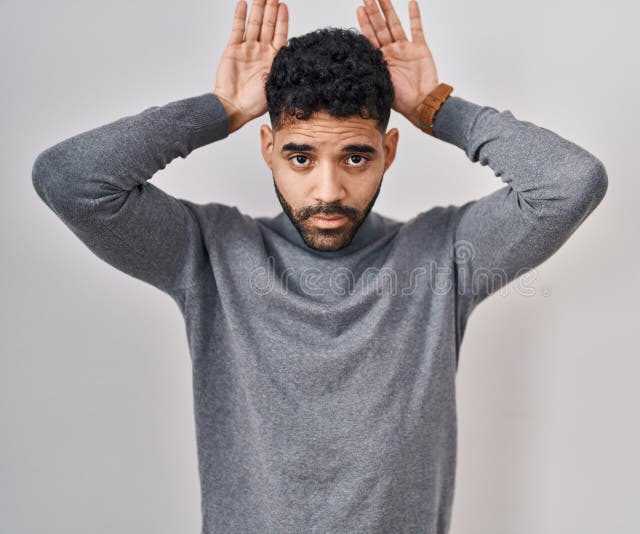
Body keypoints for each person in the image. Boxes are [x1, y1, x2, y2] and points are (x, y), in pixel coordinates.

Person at [31, 0, 608, 532]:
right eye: (300, 156)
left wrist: (438, 109)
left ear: (389, 151)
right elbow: (71, 180)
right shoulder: (207, 253)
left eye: (356, 156)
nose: (327, 190)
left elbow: (569, 183)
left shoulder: (444, 255)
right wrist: (220, 109)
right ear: (267, 149)